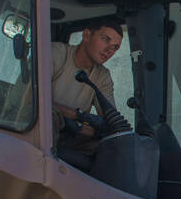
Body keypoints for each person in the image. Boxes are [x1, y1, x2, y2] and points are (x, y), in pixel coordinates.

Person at [51, 18, 126, 169]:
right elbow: (35, 101)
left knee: (114, 148)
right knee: (51, 116)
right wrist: (76, 116)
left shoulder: (102, 76)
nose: (109, 50)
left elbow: (110, 119)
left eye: (115, 47)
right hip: (30, 126)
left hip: (68, 135)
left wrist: (84, 128)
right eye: (105, 40)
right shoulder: (57, 53)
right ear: (86, 35)